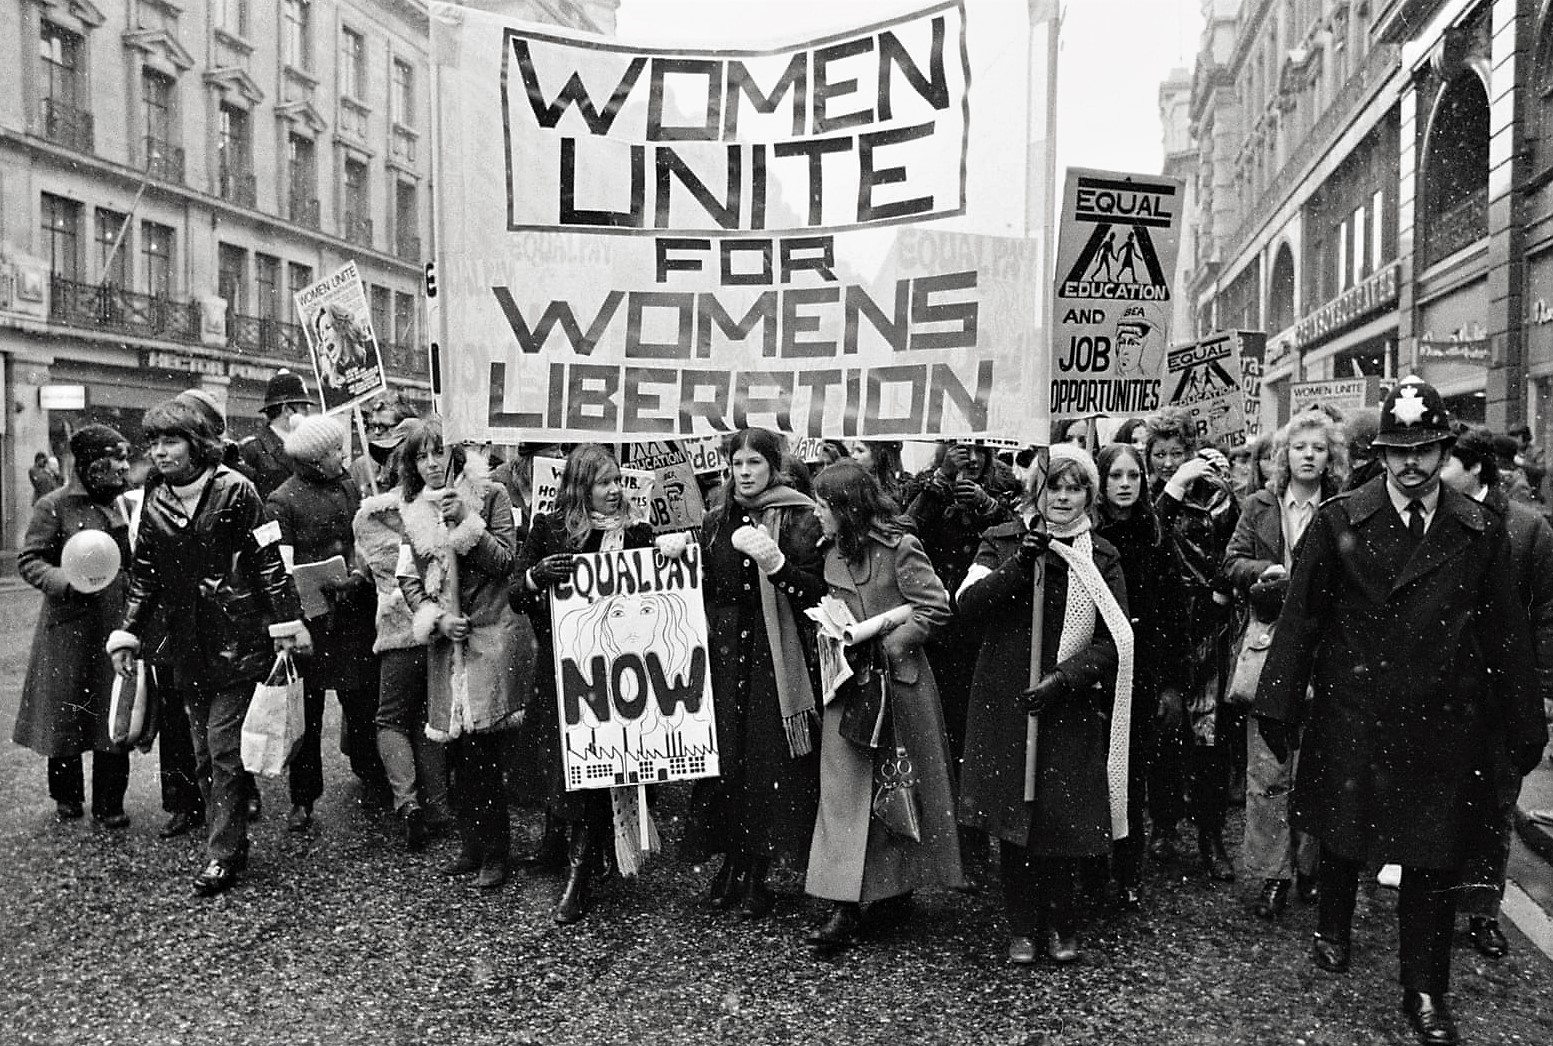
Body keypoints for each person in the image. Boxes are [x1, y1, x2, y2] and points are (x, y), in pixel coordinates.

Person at [1254, 377, 1544, 1046]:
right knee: (1342, 830)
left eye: (1424, 451)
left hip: (1441, 721)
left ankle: (1424, 990)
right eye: (1397, 452)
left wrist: (1524, 719)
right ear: (1378, 454)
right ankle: (1332, 923)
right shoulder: (1338, 521)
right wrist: (1278, 701)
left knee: (1431, 858)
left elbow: (1504, 631)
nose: (1410, 465)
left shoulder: (1477, 531)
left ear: (1442, 450)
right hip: (1355, 712)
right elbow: (1302, 619)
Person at [107, 397, 309, 896]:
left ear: (197, 444)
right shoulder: (154, 500)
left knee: (223, 748)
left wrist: (285, 622)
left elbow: (267, 559)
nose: (159, 452)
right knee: (201, 753)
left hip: (239, 639)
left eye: (170, 441)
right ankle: (231, 842)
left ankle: (221, 855)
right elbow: (144, 577)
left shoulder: (236, 489)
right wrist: (128, 630)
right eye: (153, 442)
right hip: (187, 645)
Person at [957, 445, 1133, 964]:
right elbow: (967, 604)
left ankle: (1062, 920)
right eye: (1054, 485)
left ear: (1088, 496)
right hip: (1008, 698)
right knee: (1016, 818)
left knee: (1060, 819)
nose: (1062, 496)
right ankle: (1021, 926)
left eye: (1074, 487)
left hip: (1067, 702)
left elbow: (1115, 637)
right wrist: (1021, 564)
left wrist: (1064, 679)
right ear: (1037, 489)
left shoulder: (1102, 555)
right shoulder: (1002, 541)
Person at [802, 462, 963, 950]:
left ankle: (894, 891)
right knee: (845, 795)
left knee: (897, 790)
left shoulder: (901, 548)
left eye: (823, 505)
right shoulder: (828, 552)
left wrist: (892, 645)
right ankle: (843, 904)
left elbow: (936, 606)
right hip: (849, 687)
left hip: (900, 687)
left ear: (846, 508)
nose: (817, 513)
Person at [685, 428, 825, 919]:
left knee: (764, 760)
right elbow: (708, 582)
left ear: (773, 467)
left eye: (755, 464)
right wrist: (686, 561)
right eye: (737, 463)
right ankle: (731, 861)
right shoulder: (716, 516)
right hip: (725, 649)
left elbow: (815, 590)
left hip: (771, 651)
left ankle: (757, 870)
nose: (745, 473)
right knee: (726, 758)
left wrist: (779, 564)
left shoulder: (798, 515)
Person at [513, 444, 654, 923]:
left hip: (622, 671)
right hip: (567, 671)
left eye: (618, 480)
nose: (615, 490)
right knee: (574, 771)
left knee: (604, 766)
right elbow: (515, 593)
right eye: (602, 482)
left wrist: (668, 554)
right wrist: (536, 576)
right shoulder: (550, 530)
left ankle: (585, 865)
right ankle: (580, 866)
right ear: (579, 488)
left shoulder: (637, 532)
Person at [1223, 410, 1348, 920]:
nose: (1309, 456)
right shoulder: (1259, 506)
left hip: (1325, 653)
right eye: (1300, 448)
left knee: (1318, 765)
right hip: (1269, 646)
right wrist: (1262, 570)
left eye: (1319, 448)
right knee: (1269, 768)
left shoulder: (1343, 510)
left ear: (1331, 457)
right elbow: (1230, 563)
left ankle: (1310, 868)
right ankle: (1272, 874)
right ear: (1284, 456)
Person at [1440, 427, 1553, 959]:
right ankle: (1434, 906)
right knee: (1436, 799)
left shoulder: (1528, 529)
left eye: (1447, 462)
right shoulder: (1431, 520)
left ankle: (1483, 911)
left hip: (1501, 694)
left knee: (1493, 804)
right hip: (1440, 690)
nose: (1435, 471)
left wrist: (1541, 691)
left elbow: (1548, 618)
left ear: (1476, 468)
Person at [396, 419, 522, 891]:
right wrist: (433, 616)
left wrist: (466, 524)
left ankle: (496, 852)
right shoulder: (411, 511)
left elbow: (507, 562)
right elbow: (407, 578)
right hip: (446, 646)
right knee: (455, 754)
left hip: (488, 637)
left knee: (485, 752)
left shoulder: (491, 496)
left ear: (454, 456)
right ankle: (471, 846)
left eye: (437, 454)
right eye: (421, 457)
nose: (430, 464)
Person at [265, 416, 390, 831]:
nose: (344, 456)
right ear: (317, 459)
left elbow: (363, 541)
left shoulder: (349, 487)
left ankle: (373, 778)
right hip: (312, 621)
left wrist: (360, 573)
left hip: (353, 611)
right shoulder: (281, 501)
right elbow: (278, 567)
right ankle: (303, 798)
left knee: (362, 703)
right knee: (309, 712)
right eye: (337, 451)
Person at [14, 426, 134, 827]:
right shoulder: (53, 505)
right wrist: (65, 581)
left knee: (112, 711)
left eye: (124, 458)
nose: (122, 467)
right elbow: (30, 559)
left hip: (114, 624)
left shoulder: (126, 506)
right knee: (65, 712)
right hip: (68, 628)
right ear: (91, 465)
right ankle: (67, 798)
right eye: (114, 459)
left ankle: (110, 804)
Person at [905, 440, 1018, 867]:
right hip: (942, 631)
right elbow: (906, 530)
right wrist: (938, 488)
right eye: (958, 448)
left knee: (980, 736)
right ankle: (957, 843)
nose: (968, 458)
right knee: (948, 735)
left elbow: (1018, 535)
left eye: (976, 449)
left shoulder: (1006, 486)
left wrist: (989, 507)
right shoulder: (925, 486)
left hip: (984, 626)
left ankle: (978, 836)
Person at [1146, 406, 1240, 880]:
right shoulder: (1146, 494)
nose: (1167, 461)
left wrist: (1224, 585)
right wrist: (1172, 486)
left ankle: (1211, 834)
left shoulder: (1216, 494)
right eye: (1159, 453)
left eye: (1176, 452)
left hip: (1207, 625)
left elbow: (1236, 545)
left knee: (1209, 734)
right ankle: (1163, 824)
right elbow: (1148, 537)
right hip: (1163, 625)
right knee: (1163, 728)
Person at [1094, 442, 1188, 910]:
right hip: (1098, 671)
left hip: (1143, 671)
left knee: (1130, 776)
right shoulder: (1087, 537)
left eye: (1133, 476)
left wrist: (1171, 682)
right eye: (1116, 476)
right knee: (1093, 773)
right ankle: (1093, 867)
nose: (1125, 485)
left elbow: (1173, 614)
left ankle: (1128, 873)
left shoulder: (1155, 535)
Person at [354, 425, 454, 852]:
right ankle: (438, 807)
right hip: (439, 627)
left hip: (397, 628)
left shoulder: (372, 516)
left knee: (391, 719)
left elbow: (380, 571)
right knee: (428, 720)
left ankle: (407, 803)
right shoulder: (443, 504)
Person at [240, 370, 314, 499]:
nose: (308, 414)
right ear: (286, 410)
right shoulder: (253, 450)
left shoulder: (310, 448)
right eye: (304, 408)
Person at [312, 302, 375, 410]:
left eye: (328, 328)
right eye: (321, 333)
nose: (324, 337)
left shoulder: (370, 358)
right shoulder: (328, 379)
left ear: (343, 328)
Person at [350, 397, 419, 496]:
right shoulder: (360, 467)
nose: (377, 432)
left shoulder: (420, 464)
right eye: (373, 426)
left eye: (384, 426)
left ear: (405, 427)